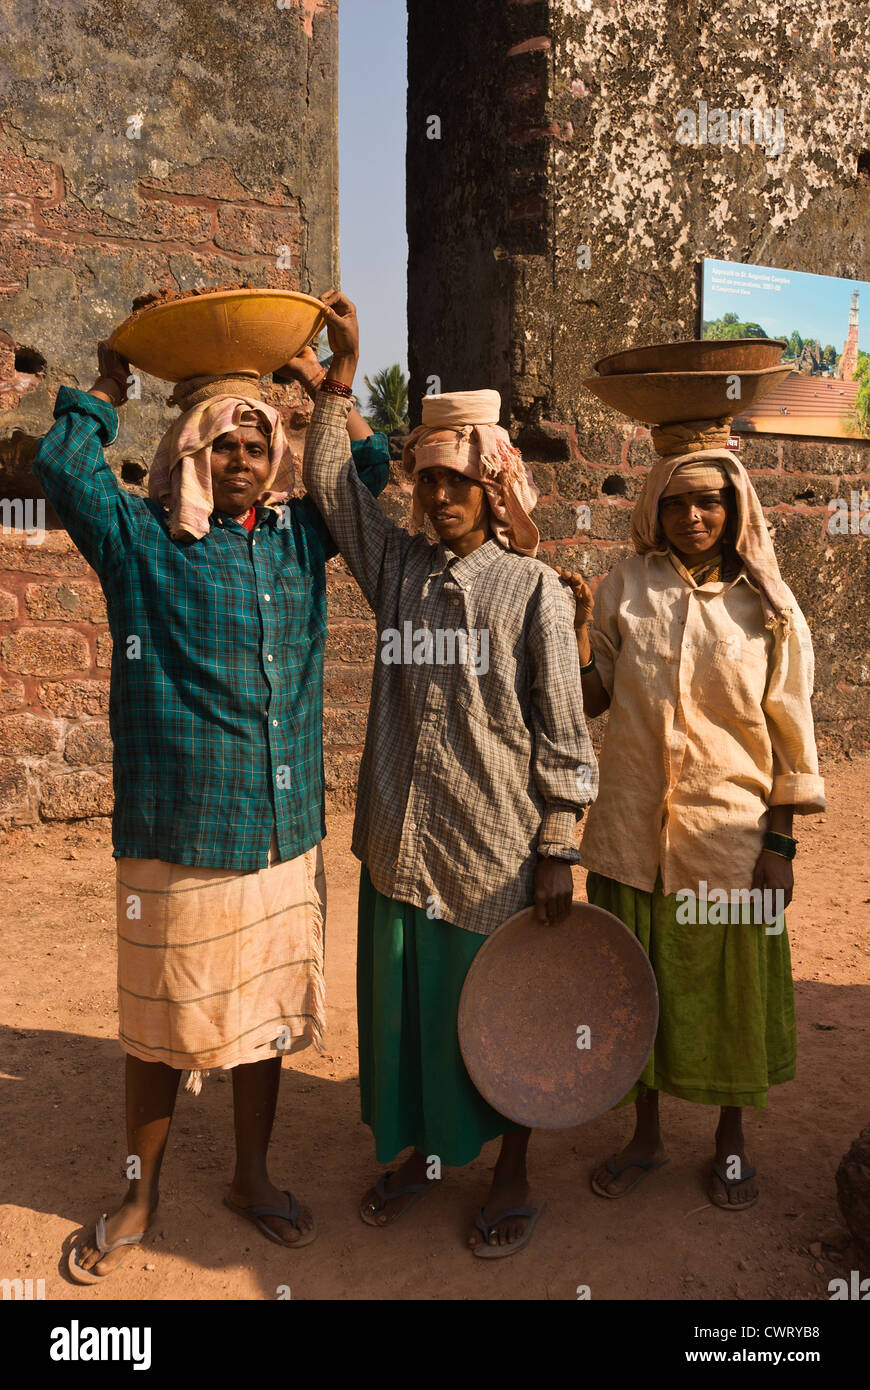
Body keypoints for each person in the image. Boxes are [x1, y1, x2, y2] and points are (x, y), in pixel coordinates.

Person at [34, 320, 389, 1281]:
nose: (243, 458)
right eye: (224, 441)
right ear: (190, 447)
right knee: (159, 1025)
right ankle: (140, 1194)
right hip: (179, 832)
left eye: (258, 443)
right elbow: (65, 469)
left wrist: (332, 386)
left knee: (265, 1019)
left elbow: (370, 472)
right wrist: (106, 378)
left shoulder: (298, 536)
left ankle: (251, 1177)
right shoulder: (140, 542)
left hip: (279, 831)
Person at [293, 291, 597, 1257]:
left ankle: (511, 1177)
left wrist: (558, 847)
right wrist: (342, 371)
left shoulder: (533, 590)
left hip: (493, 855)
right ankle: (419, 1159)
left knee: (500, 1025)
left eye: (459, 483)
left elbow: (563, 730)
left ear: (495, 488)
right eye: (428, 482)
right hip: (399, 845)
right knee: (411, 1019)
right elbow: (336, 488)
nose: (440, 497)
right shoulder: (401, 572)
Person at [555, 447, 825, 1211]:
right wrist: (574, 632)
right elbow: (595, 695)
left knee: (728, 992)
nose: (692, 518)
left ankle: (730, 1139)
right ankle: (645, 1136)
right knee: (635, 985)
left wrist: (778, 847)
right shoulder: (628, 588)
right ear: (655, 510)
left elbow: (789, 732)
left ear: (735, 510)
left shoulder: (768, 605)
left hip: (730, 841)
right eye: (676, 505)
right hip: (632, 835)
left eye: (708, 503)